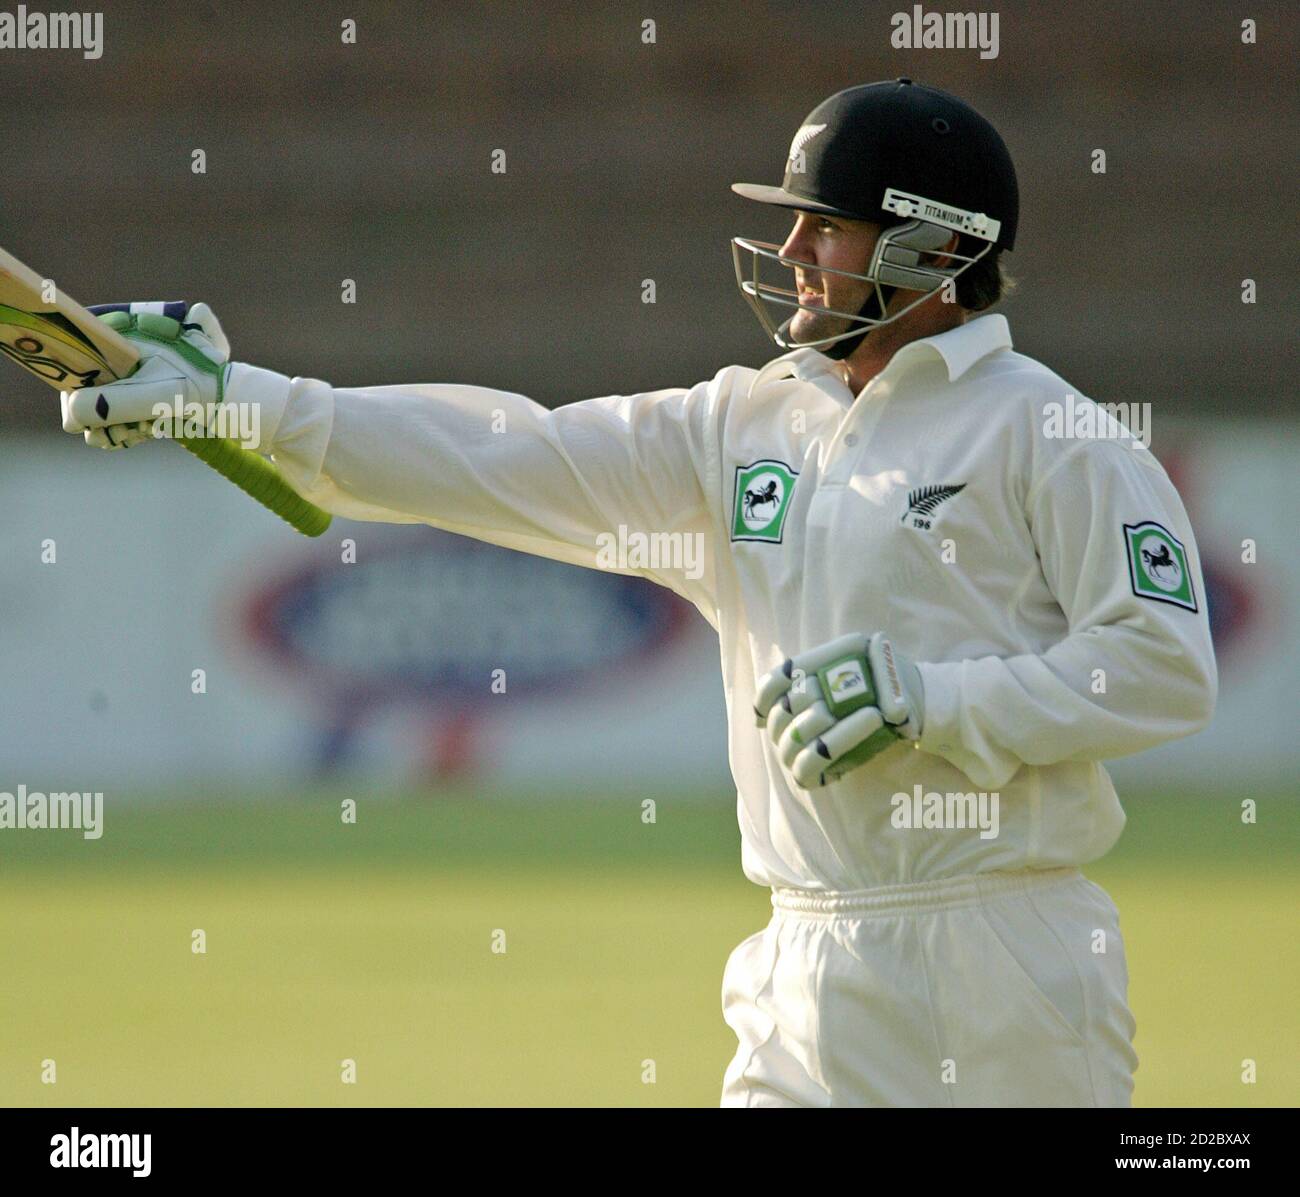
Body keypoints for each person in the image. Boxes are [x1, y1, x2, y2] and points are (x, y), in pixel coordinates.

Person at [62, 79, 1217, 1107]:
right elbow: (504, 454)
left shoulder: (1046, 430)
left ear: (927, 245)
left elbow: (1165, 667)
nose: (797, 249)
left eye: (829, 223)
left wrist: (932, 702)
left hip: (1002, 961)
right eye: (794, 222)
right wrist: (243, 400)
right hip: (800, 962)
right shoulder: (744, 423)